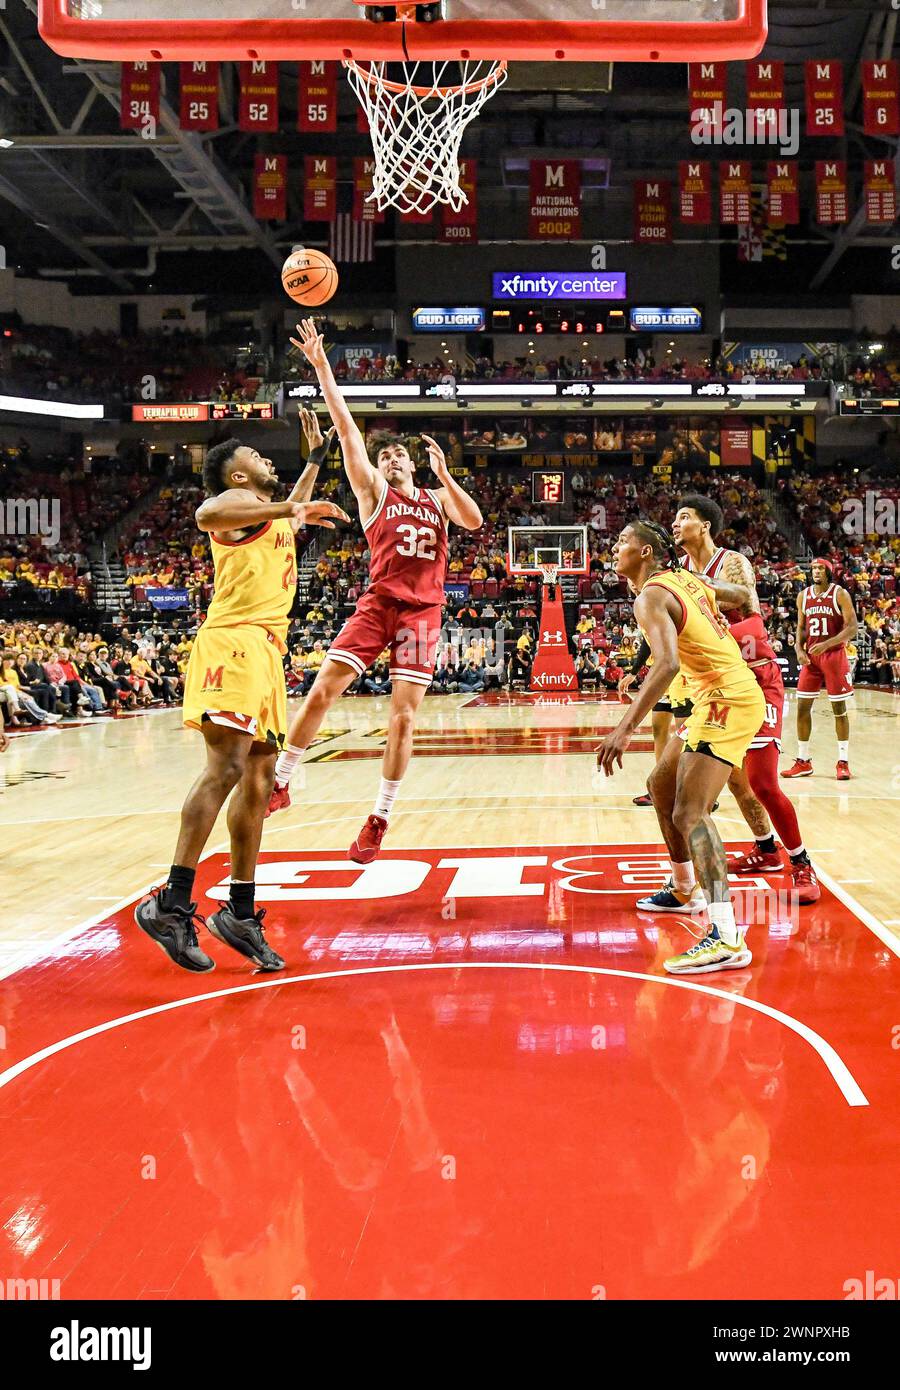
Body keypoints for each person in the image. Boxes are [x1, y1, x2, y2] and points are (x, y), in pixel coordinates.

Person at [267, 318, 483, 863]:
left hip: (423, 615)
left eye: (398, 456)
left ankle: (379, 819)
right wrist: (321, 369)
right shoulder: (372, 493)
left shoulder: (436, 500)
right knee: (321, 690)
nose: (390, 460)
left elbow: (475, 522)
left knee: (403, 716)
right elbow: (347, 432)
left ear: (414, 463)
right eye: (385, 456)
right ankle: (283, 780)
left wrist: (445, 474)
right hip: (379, 604)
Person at [134, 432, 348, 973]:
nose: (265, 459)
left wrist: (317, 460)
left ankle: (240, 912)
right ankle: (172, 902)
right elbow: (207, 511)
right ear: (236, 476)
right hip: (231, 643)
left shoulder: (268, 515)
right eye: (254, 457)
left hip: (267, 653)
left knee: (260, 779)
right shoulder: (230, 511)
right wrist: (296, 503)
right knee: (226, 766)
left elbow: (291, 510)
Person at [596, 521, 764, 976]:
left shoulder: (650, 594)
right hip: (714, 697)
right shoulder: (687, 578)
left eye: (622, 543)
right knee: (660, 784)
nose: (614, 548)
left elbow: (667, 663)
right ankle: (684, 888)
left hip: (726, 698)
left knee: (690, 813)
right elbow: (742, 597)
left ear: (645, 552)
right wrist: (718, 593)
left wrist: (624, 728)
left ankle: (726, 936)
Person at [673, 496, 819, 903]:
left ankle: (802, 863)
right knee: (733, 779)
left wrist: (695, 592)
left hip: (755, 674)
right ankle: (767, 850)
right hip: (716, 679)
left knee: (762, 782)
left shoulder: (730, 561)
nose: (675, 523)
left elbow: (742, 602)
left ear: (704, 526)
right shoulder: (680, 570)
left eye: (684, 517)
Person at [782, 558, 858, 781]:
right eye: (813, 568)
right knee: (802, 708)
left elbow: (852, 627)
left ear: (828, 571)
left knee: (839, 709)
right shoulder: (803, 595)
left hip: (834, 656)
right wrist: (798, 648)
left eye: (820, 568)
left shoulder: (839, 594)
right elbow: (801, 627)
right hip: (811, 659)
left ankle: (843, 761)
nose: (816, 571)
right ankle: (803, 760)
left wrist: (828, 643)